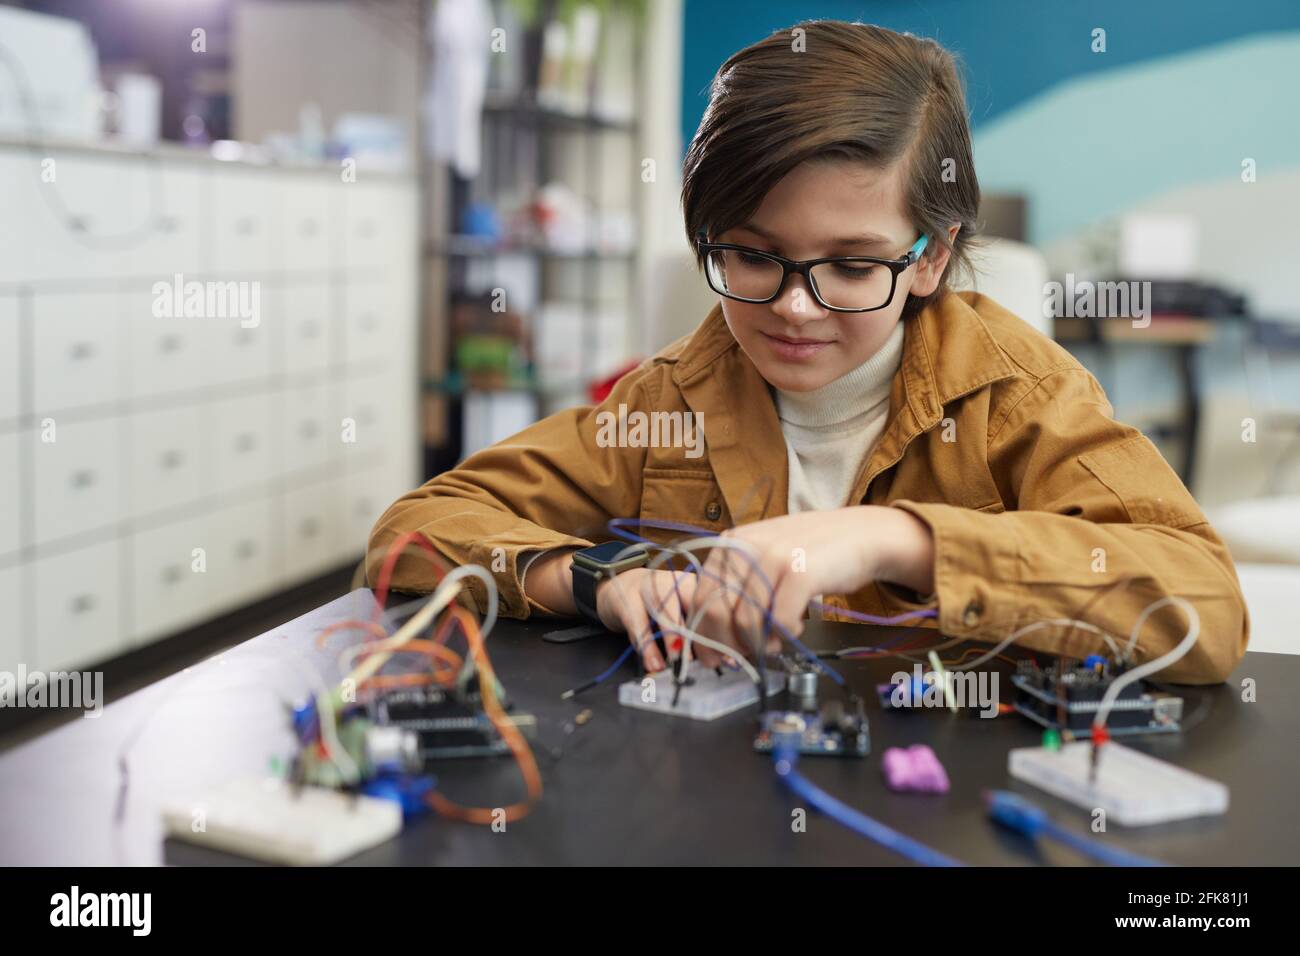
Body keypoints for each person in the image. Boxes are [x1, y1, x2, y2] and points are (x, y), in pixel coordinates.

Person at [368, 20, 1248, 684]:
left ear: (931, 257)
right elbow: (414, 530)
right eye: (752, 255)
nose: (795, 306)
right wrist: (594, 579)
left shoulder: (1018, 397)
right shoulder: (668, 402)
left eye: (855, 265)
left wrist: (892, 539)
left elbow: (1204, 609)